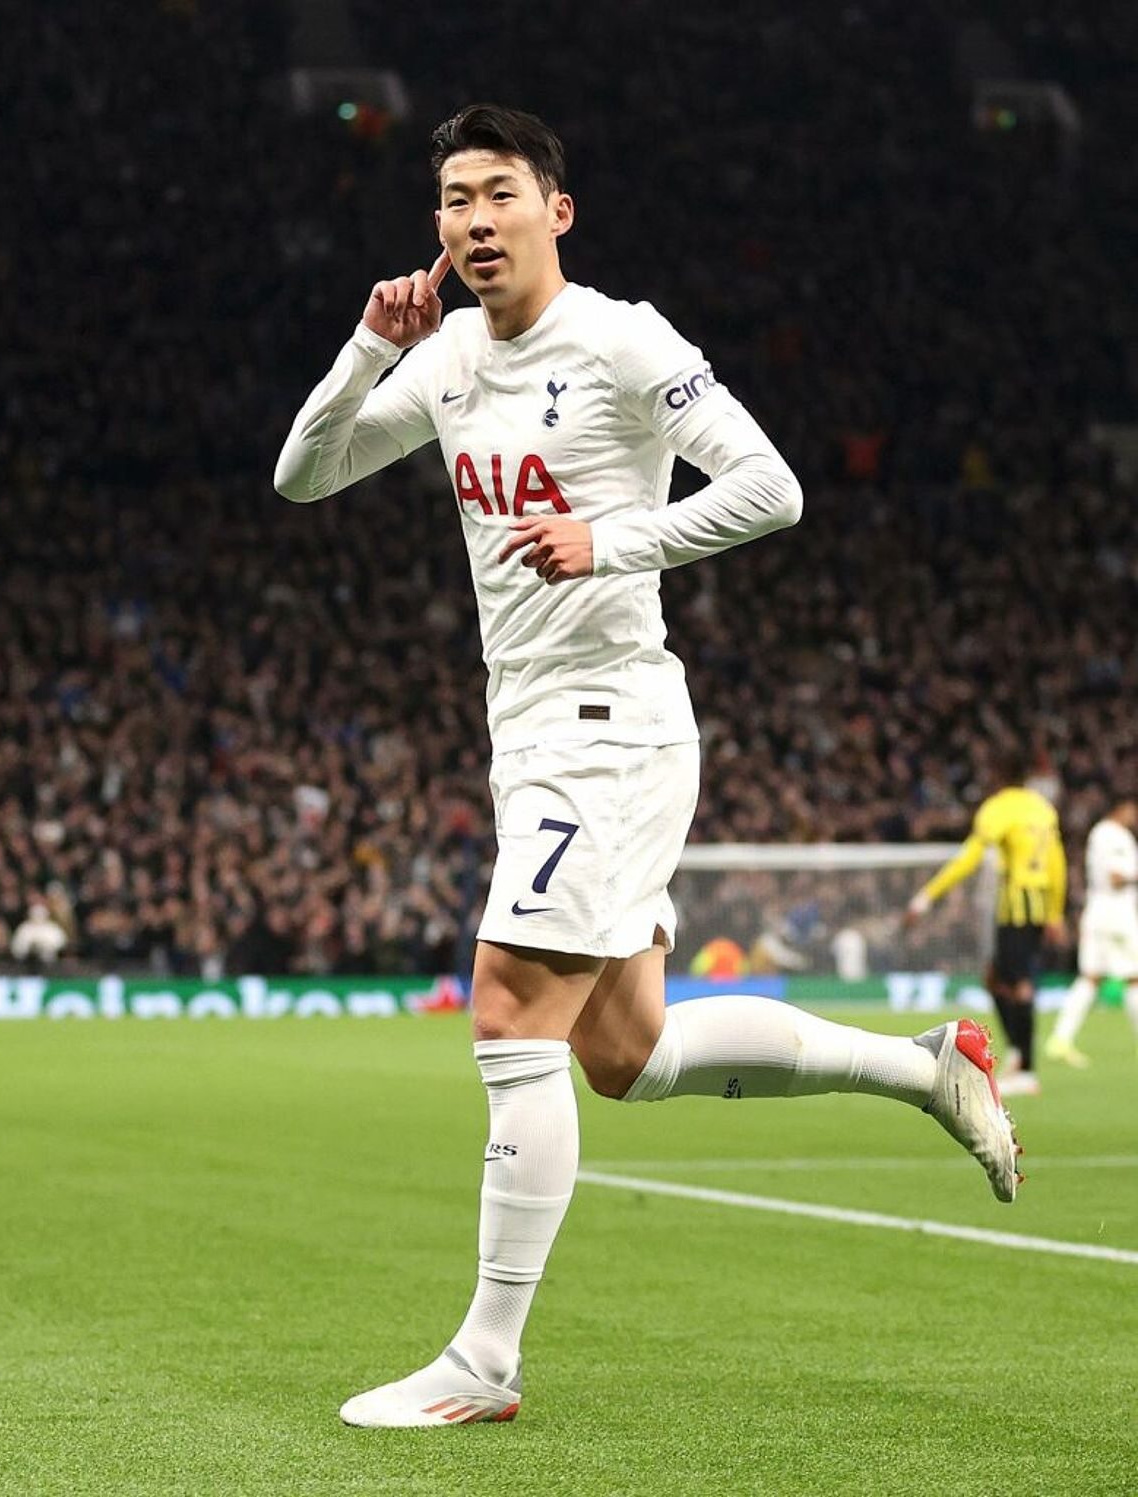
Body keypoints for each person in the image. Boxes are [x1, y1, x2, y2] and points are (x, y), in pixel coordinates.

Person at [275, 103, 1022, 1430]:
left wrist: (615, 542)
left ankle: (484, 1362)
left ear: (556, 209)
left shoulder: (624, 341)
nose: (474, 220)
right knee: (625, 1056)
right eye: (453, 199)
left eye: (498, 193)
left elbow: (772, 486)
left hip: (611, 724)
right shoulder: (442, 360)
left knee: (507, 1012)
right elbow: (304, 474)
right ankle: (931, 1065)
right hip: (533, 728)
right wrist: (362, 347)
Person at [905, 752, 1066, 1097]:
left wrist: (926, 896)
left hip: (1016, 904)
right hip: (1038, 904)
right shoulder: (1042, 808)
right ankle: (1017, 1056)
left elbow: (969, 858)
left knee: (1020, 983)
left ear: (997, 778)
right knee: (995, 979)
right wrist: (1055, 911)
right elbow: (1057, 861)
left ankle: (1027, 1069)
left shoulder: (998, 808)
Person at [1046, 795, 1138, 1066]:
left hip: (1098, 912)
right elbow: (1116, 877)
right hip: (1116, 916)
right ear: (1122, 808)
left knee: (1090, 978)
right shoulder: (1115, 835)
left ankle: (1060, 1039)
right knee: (1134, 978)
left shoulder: (1099, 833)